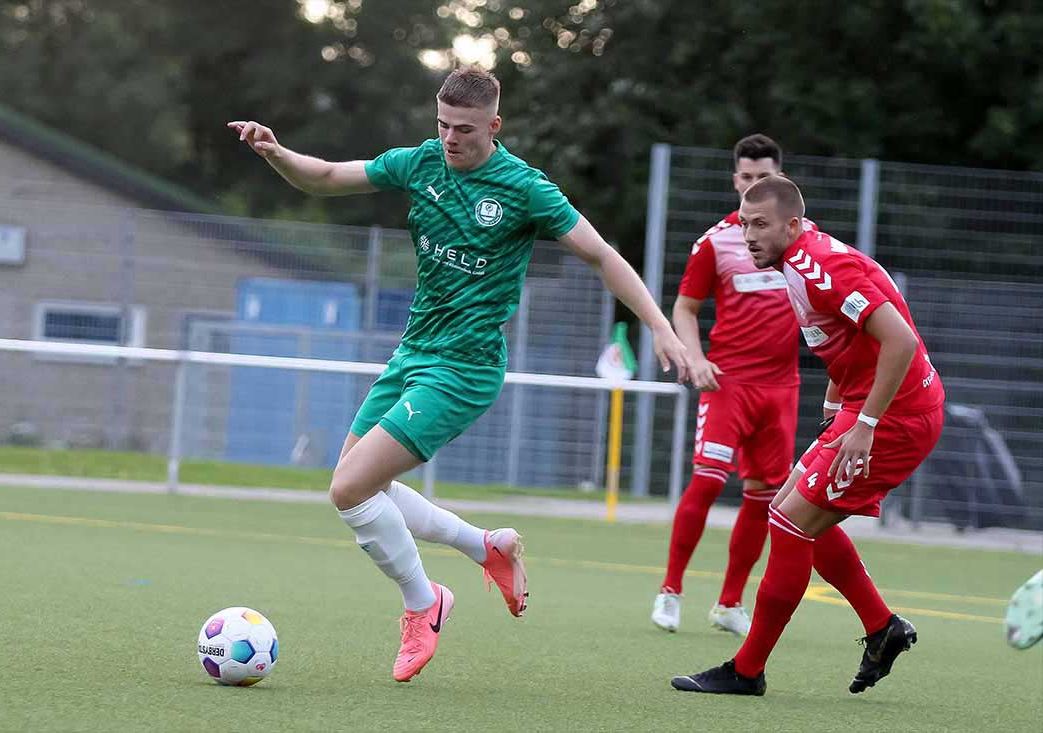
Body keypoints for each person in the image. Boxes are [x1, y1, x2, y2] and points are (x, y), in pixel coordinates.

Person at [230, 66, 690, 683]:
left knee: (349, 489)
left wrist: (658, 325)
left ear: (494, 125)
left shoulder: (524, 188)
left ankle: (425, 603)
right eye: (443, 124)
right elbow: (328, 178)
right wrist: (276, 153)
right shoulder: (421, 162)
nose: (450, 138)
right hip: (412, 354)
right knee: (359, 485)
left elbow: (602, 255)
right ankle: (484, 546)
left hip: (465, 367)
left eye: (465, 129)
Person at [670, 175, 944, 696]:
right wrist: (837, 406)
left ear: (793, 225)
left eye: (761, 225)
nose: (749, 236)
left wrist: (865, 425)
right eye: (743, 224)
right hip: (871, 408)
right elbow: (852, 340)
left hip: (896, 418)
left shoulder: (818, 268)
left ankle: (747, 671)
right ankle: (882, 627)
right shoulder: (798, 261)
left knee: (790, 524)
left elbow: (901, 341)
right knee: (788, 507)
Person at [652, 135, 813, 637]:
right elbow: (685, 307)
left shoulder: (806, 241)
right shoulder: (715, 242)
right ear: (734, 180)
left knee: (765, 497)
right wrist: (695, 357)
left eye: (763, 177)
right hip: (729, 383)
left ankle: (729, 603)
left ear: (781, 180)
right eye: (746, 177)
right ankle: (670, 591)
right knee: (707, 479)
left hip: (782, 388)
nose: (752, 185)